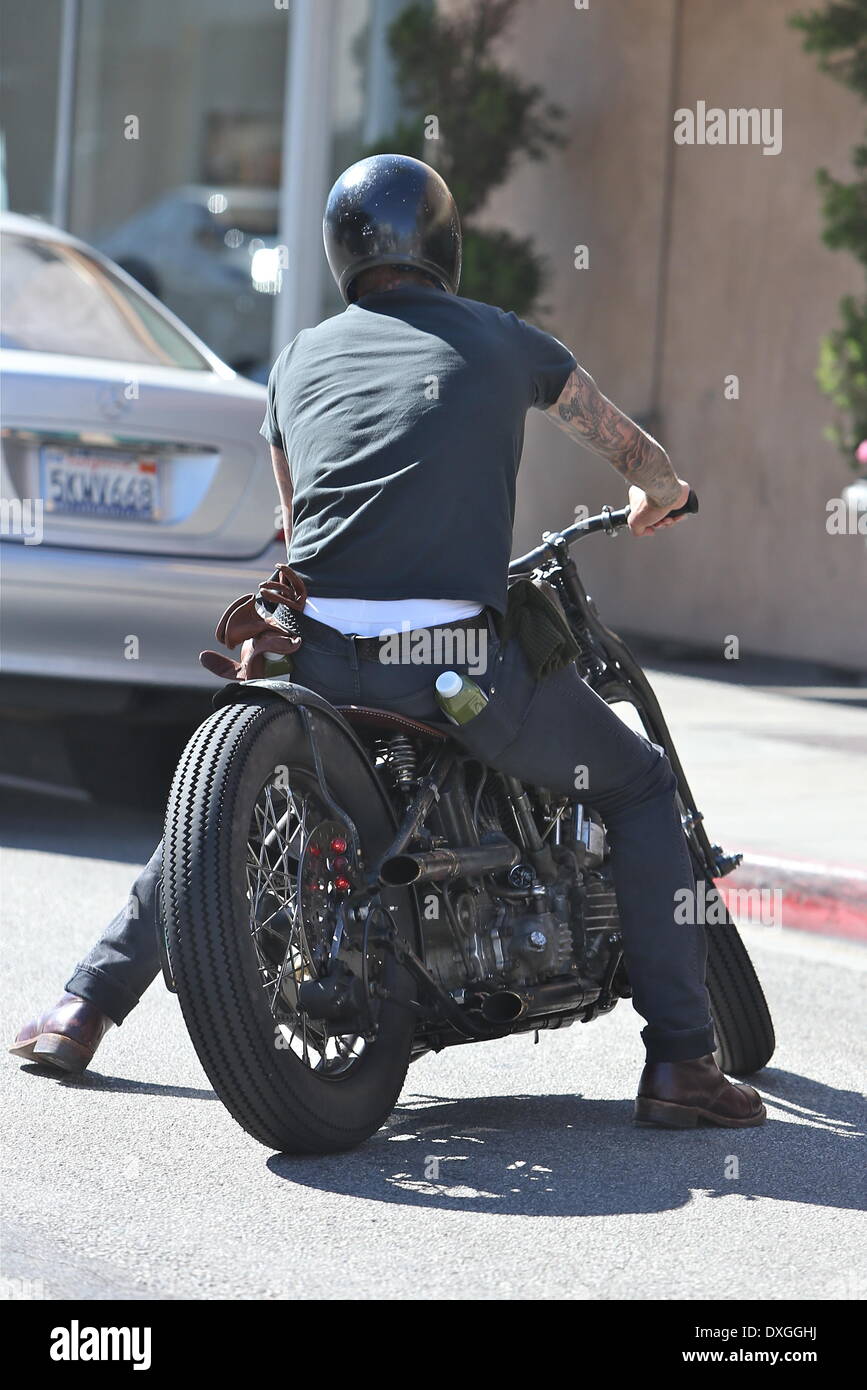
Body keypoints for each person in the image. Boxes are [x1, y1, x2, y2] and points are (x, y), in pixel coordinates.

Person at [10, 154, 764, 1130]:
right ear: (445, 245)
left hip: (315, 660)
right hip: (454, 666)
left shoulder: (295, 363)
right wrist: (661, 494)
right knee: (639, 783)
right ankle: (681, 1065)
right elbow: (623, 443)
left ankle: (81, 1006)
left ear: (341, 256)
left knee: (221, 817)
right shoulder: (503, 340)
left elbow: (298, 529)